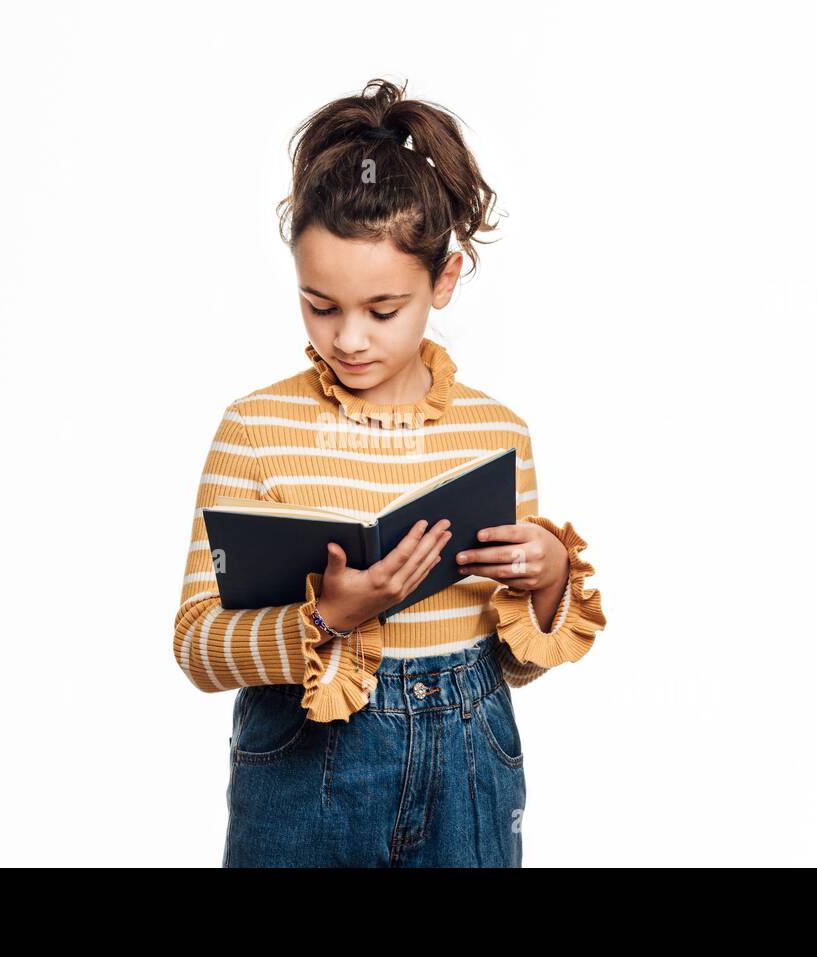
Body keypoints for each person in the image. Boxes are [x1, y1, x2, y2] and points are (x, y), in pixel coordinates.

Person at [172, 77, 607, 867]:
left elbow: (513, 664)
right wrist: (323, 621)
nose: (349, 338)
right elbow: (197, 644)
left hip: (469, 772)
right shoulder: (256, 428)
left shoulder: (495, 433)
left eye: (383, 309)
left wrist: (547, 577)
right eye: (319, 304)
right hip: (306, 773)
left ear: (443, 281)